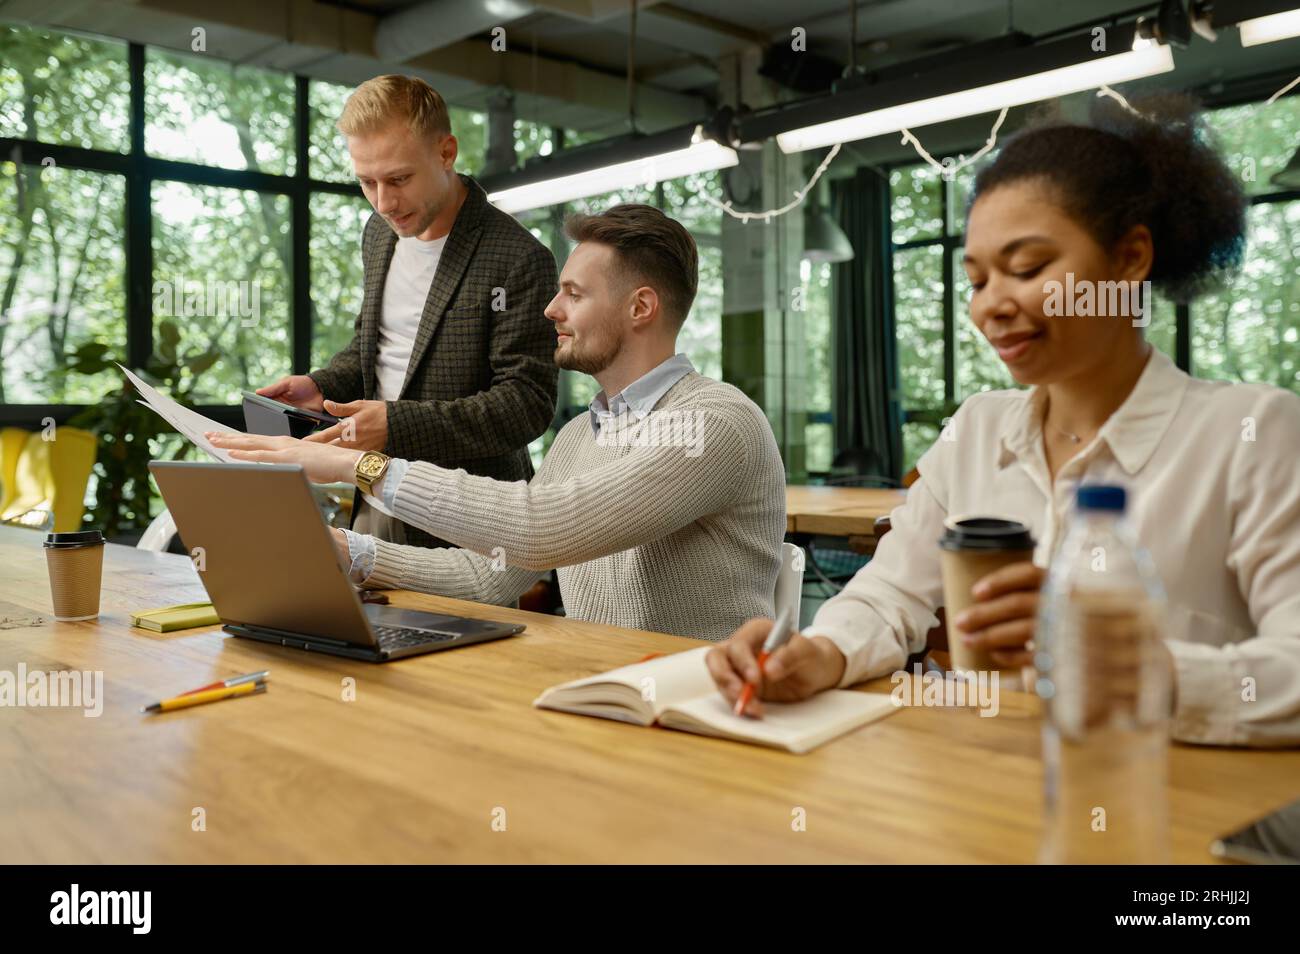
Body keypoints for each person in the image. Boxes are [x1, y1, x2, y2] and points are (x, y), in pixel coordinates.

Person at [706, 95, 1300, 747]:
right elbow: (889, 596)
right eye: (978, 280)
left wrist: (1112, 662)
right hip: (989, 798)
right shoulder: (980, 430)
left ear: (1130, 259)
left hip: (1167, 811)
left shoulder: (1254, 435)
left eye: (1027, 269)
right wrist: (818, 653)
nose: (992, 306)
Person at [211, 204, 787, 641]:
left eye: (573, 294)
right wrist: (351, 553)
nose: (550, 310)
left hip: (701, 724)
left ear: (640, 307)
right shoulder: (578, 437)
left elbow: (542, 528)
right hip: (601, 702)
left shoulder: (714, 423)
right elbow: (495, 576)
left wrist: (357, 465)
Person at [256, 74, 558, 550]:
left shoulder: (518, 258)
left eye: (398, 179)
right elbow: (372, 348)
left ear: (446, 152)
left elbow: (525, 405)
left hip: (469, 523)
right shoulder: (378, 235)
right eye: (366, 182)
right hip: (374, 497)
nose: (383, 202)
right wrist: (321, 386)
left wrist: (396, 426)